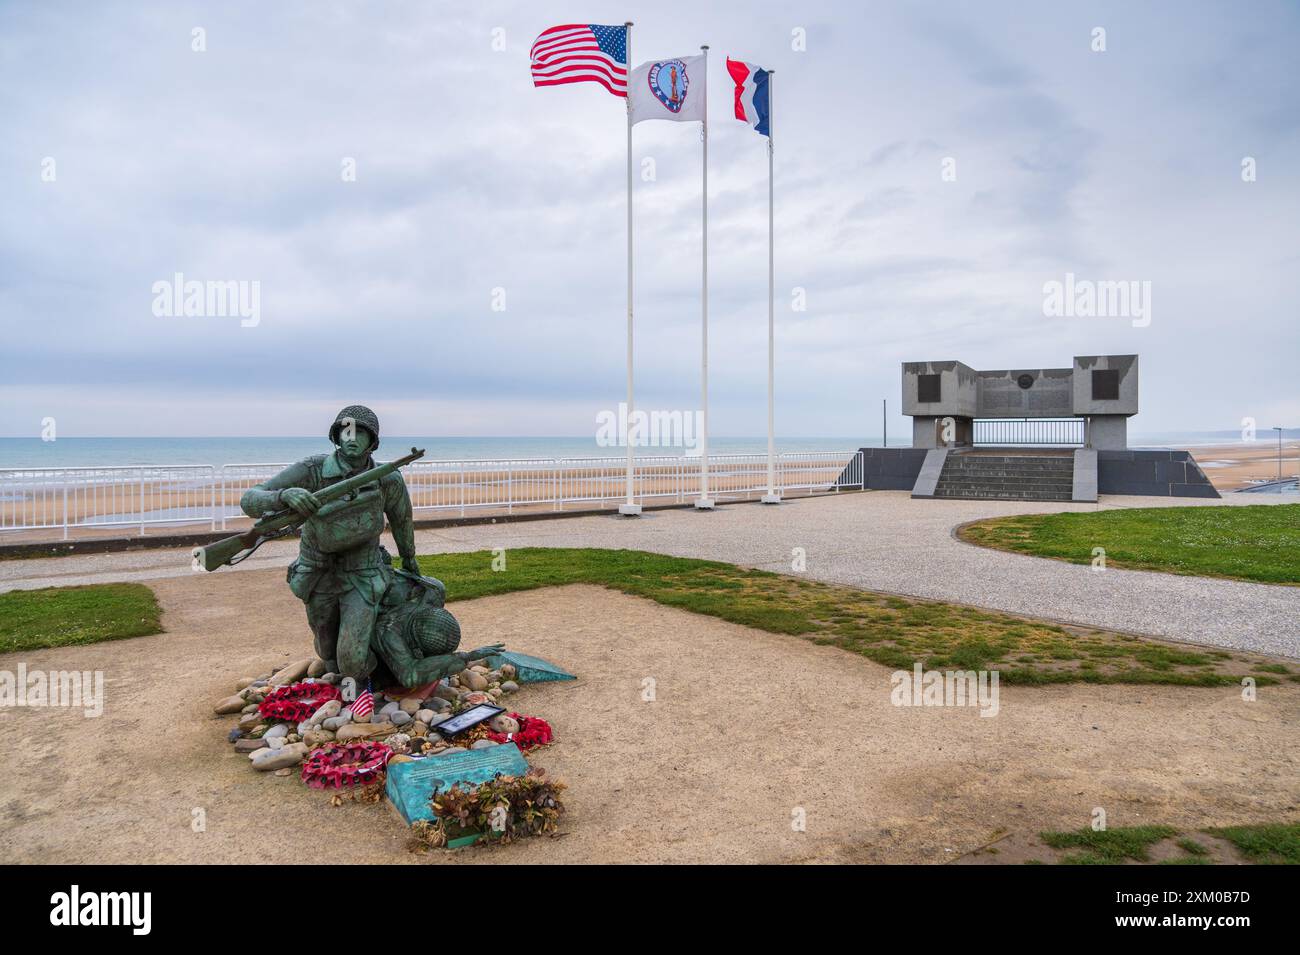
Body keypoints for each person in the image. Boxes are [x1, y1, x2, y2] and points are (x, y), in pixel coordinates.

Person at [240, 405, 418, 681]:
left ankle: (381, 673)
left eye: (360, 433)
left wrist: (409, 559)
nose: (351, 438)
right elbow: (250, 499)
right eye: (345, 432)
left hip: (363, 573)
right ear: (336, 436)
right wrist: (285, 495)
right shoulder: (312, 469)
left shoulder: (387, 479)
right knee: (327, 653)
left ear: (373, 442)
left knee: (351, 662)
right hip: (318, 573)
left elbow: (402, 521)